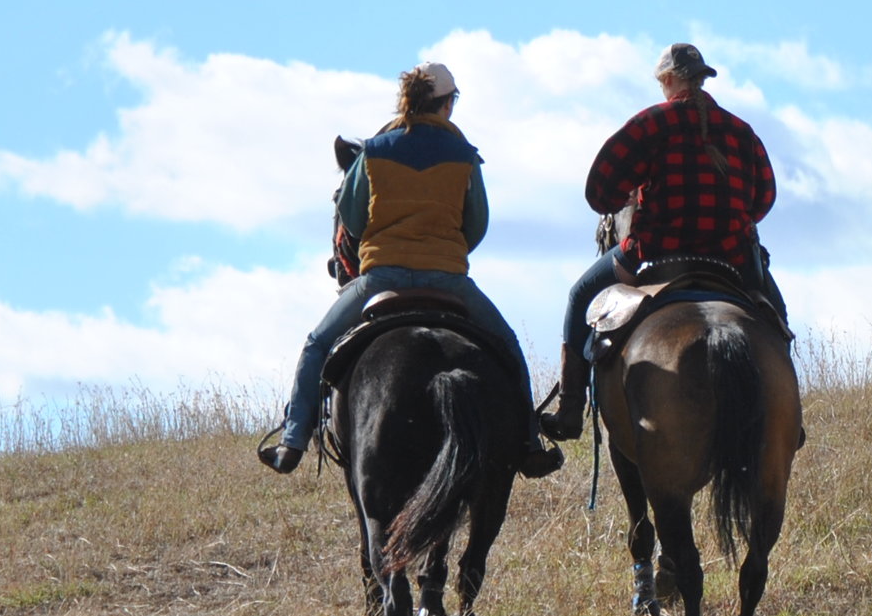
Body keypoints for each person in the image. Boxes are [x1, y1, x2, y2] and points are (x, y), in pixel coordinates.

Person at [266, 62, 564, 478]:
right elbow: (476, 225)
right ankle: (530, 443)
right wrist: (444, 248)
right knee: (508, 346)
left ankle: (293, 441)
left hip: (379, 277)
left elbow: (350, 219)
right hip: (448, 280)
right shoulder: (464, 155)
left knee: (317, 344)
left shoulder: (373, 151)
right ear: (448, 105)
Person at [538, 43, 786, 440]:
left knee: (579, 294)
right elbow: (764, 199)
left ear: (667, 79)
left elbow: (599, 192)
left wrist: (626, 197)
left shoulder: (649, 124)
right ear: (702, 79)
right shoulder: (742, 131)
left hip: (655, 255)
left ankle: (570, 411)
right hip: (732, 259)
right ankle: (788, 417)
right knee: (776, 318)